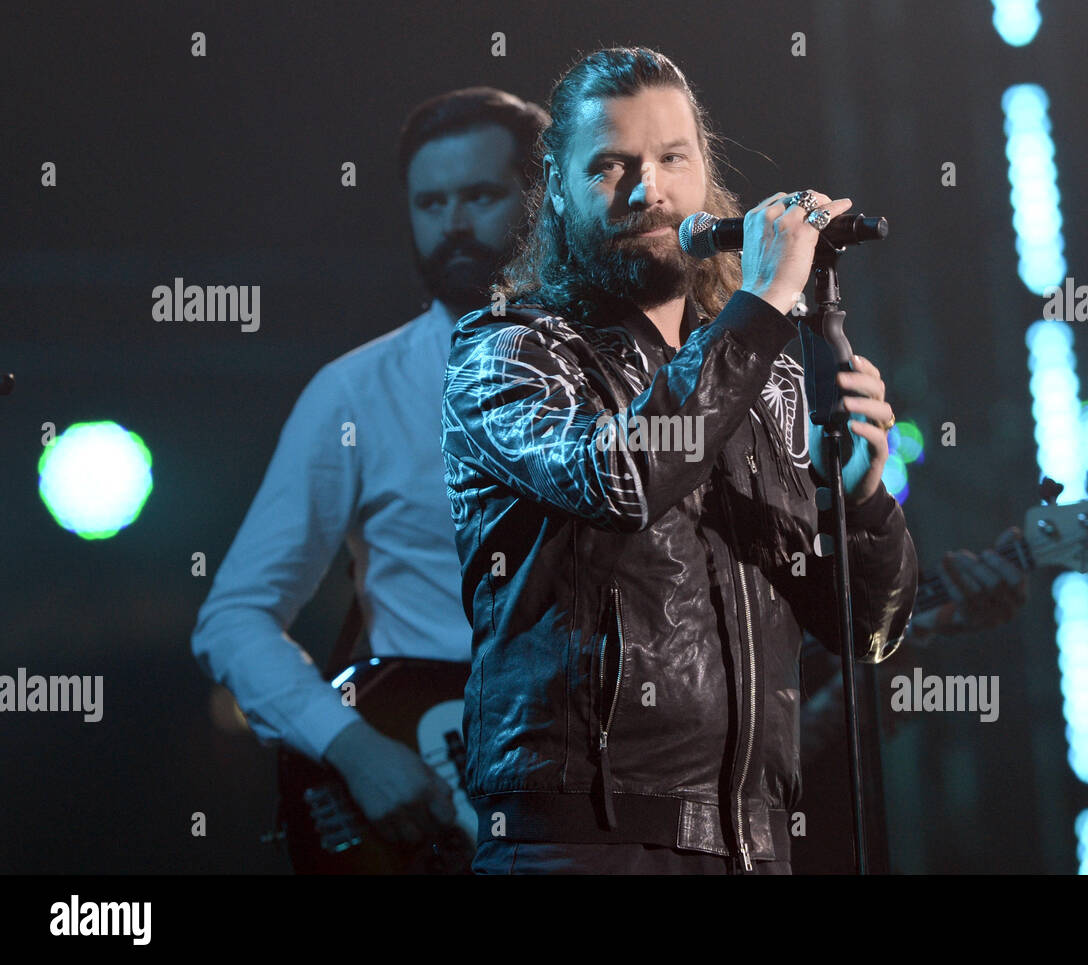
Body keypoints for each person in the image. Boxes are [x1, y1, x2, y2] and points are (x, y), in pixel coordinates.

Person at [440, 47, 919, 875]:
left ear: (707, 176)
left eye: (672, 159)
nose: (647, 190)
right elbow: (620, 474)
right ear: (555, 189)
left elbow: (865, 633)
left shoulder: (754, 375)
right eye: (611, 166)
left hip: (751, 844)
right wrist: (763, 306)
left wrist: (864, 501)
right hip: (584, 842)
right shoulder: (508, 350)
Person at [191, 87, 547, 850]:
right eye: (430, 202)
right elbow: (235, 615)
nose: (452, 224)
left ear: (542, 197)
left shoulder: (636, 373)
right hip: (429, 800)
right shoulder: (353, 392)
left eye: (481, 195)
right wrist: (352, 748)